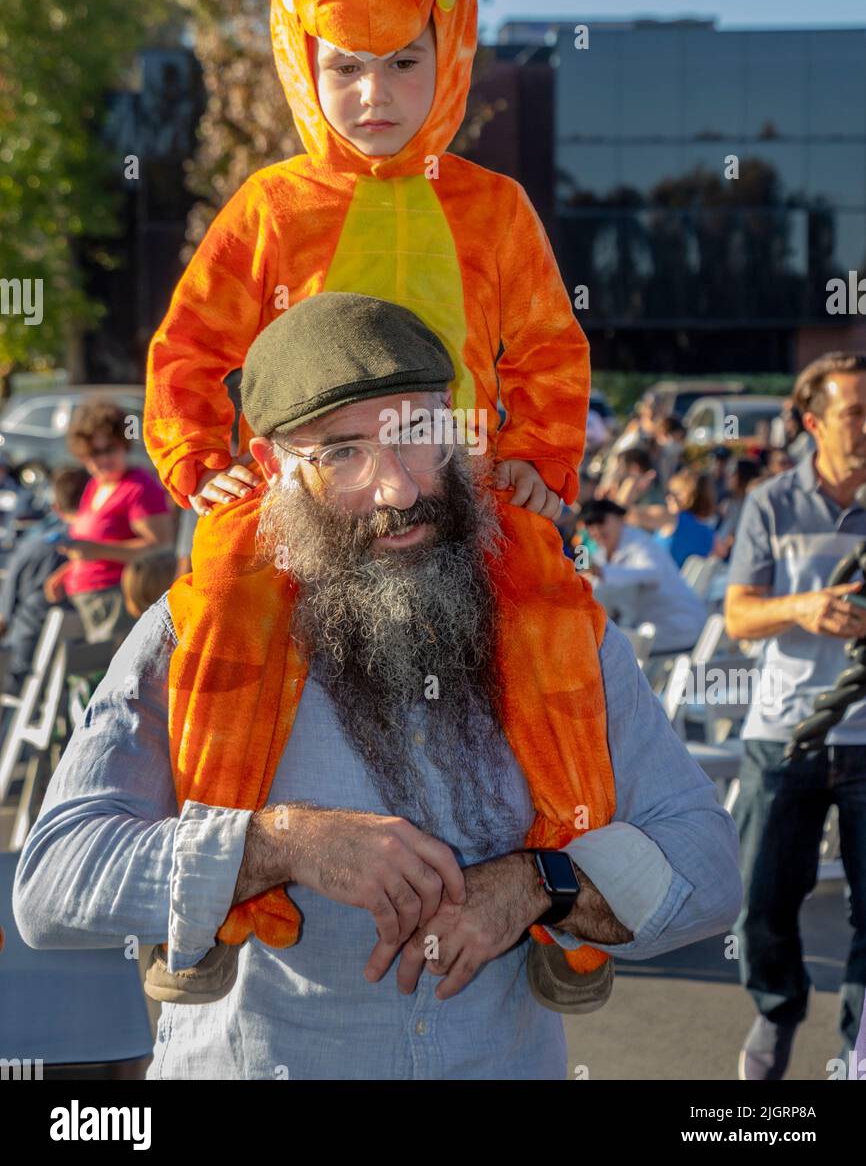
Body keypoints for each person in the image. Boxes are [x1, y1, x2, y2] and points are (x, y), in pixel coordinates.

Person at [14, 295, 742, 1081]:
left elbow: (710, 867)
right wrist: (279, 844)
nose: (396, 488)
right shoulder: (197, 634)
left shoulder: (557, 628)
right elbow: (53, 882)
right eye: (343, 453)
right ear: (270, 469)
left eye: (417, 437)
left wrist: (542, 882)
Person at [141, 0, 617, 989]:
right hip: (302, 505)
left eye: (402, 60)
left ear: (447, 56)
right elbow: (188, 349)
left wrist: (542, 473)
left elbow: (549, 349)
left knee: (555, 609)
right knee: (218, 602)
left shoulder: (494, 207)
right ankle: (222, 891)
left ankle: (566, 889)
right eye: (345, 66)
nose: (373, 93)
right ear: (303, 68)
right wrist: (199, 465)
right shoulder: (267, 206)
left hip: (462, 500)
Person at [724, 351, 866, 1080]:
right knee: (764, 905)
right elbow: (739, 615)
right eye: (855, 413)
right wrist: (806, 607)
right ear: (814, 423)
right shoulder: (773, 501)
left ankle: (858, 1049)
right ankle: (777, 1014)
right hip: (783, 733)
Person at [52, 402, 175, 644]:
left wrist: (96, 551)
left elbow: (160, 548)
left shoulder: (139, 487)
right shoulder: (96, 485)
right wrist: (65, 573)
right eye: (94, 453)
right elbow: (93, 546)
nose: (103, 459)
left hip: (120, 603)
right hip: (90, 603)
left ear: (123, 444)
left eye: (110, 448)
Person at [0, 466, 89, 700]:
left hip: (25, 665)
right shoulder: (106, 550)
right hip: (71, 674)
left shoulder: (37, 547)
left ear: (56, 508)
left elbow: (6, 611)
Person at [579, 497, 708, 654]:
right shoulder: (601, 555)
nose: (596, 531)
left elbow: (653, 575)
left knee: (610, 652)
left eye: (601, 522)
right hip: (654, 631)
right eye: (590, 526)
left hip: (680, 627)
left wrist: (601, 572)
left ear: (620, 519)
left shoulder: (640, 543)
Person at [629, 469, 717, 569]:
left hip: (658, 581)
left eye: (676, 493)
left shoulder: (671, 519)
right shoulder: (710, 533)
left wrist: (632, 483)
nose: (669, 497)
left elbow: (623, 514)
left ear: (690, 496)